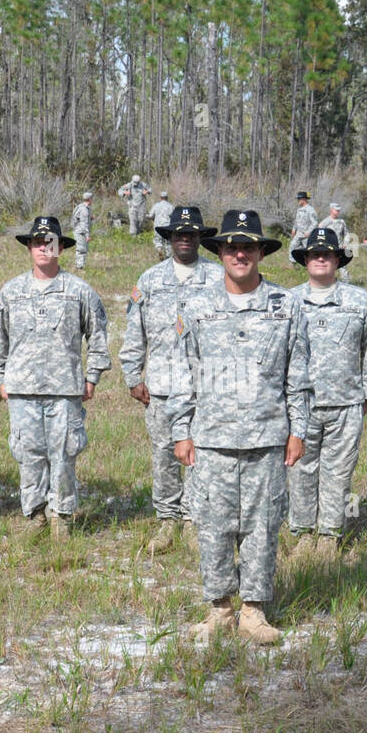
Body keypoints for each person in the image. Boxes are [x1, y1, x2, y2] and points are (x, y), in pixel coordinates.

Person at [168, 210, 310, 645]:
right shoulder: (196, 307)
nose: (240, 253)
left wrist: (298, 429)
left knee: (263, 525)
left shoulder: (287, 307)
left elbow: (299, 375)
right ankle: (220, 609)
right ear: (221, 252)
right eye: (232, 246)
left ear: (262, 252)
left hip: (268, 438)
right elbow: (180, 371)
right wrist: (181, 429)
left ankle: (254, 611)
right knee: (212, 525)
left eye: (249, 246)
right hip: (210, 438)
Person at [0, 216, 110, 539]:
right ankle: (35, 514)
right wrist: (0, 377)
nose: (44, 246)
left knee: (64, 456)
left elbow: (97, 336)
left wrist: (92, 376)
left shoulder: (80, 292)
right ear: (29, 247)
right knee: (28, 455)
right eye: (38, 241)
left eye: (50, 241)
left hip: (65, 390)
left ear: (61, 247)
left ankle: (62, 516)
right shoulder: (11, 291)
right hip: (22, 391)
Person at [119, 206, 222, 553]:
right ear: (169, 238)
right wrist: (133, 375)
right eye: (179, 234)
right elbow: (135, 331)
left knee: (201, 455)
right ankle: (167, 520)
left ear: (200, 239)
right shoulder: (150, 280)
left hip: (203, 388)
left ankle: (194, 521)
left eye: (191, 234)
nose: (185, 239)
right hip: (160, 388)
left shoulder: (218, 279)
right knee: (163, 455)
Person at [287, 227, 367, 555]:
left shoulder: (359, 301)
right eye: (315, 254)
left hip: (346, 403)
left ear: (338, 259)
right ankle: (302, 532)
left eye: (327, 254)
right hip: (301, 404)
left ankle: (329, 534)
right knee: (300, 470)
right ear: (306, 260)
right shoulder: (290, 301)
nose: (321, 259)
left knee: (338, 471)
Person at [289, 190, 318, 264]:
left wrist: (308, 232)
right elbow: (296, 221)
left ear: (304, 199)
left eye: (299, 199)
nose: (298, 200)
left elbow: (314, 223)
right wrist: (294, 230)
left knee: (309, 251)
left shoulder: (310, 210)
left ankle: (310, 264)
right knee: (292, 246)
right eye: (298, 199)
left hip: (306, 235)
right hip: (299, 233)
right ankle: (293, 263)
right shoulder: (299, 209)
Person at [71, 191, 93, 270]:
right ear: (90, 199)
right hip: (81, 232)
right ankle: (79, 267)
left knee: (81, 248)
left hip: (78, 230)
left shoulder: (80, 206)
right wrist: (87, 235)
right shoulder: (84, 210)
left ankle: (78, 265)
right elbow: (84, 224)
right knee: (81, 249)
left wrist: (90, 218)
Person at [148, 191, 174, 259]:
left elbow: (150, 216)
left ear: (160, 197)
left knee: (157, 240)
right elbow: (173, 217)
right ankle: (168, 256)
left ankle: (159, 249)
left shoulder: (156, 205)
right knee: (168, 241)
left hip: (157, 226)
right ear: (167, 198)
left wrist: (152, 218)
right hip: (167, 226)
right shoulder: (171, 206)